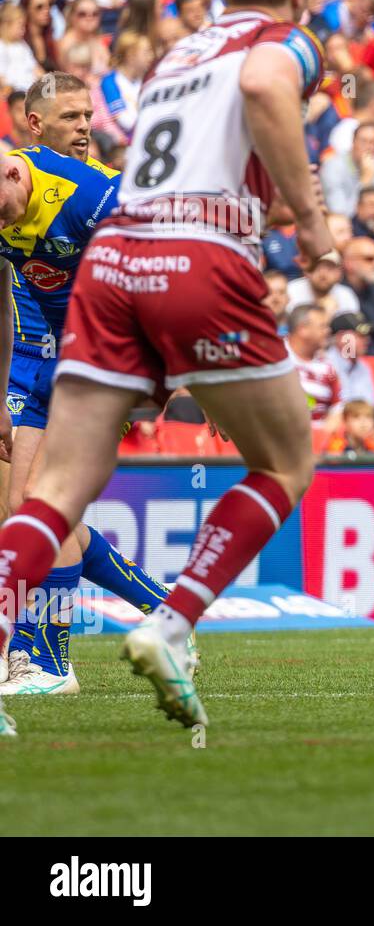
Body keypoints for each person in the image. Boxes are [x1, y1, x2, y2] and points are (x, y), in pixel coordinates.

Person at [0, 0, 334, 737]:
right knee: (288, 461)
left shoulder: (176, 54)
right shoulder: (285, 38)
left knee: (54, 491)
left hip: (112, 266)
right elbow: (262, 85)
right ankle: (171, 620)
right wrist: (313, 223)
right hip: (198, 255)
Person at [0, 74, 184, 696]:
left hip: (97, 357)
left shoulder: (91, 194)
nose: (85, 126)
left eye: (88, 115)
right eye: (70, 116)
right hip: (32, 360)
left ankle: (46, 662)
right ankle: (167, 613)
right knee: (29, 507)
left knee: (38, 506)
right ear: (32, 127)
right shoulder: (10, 191)